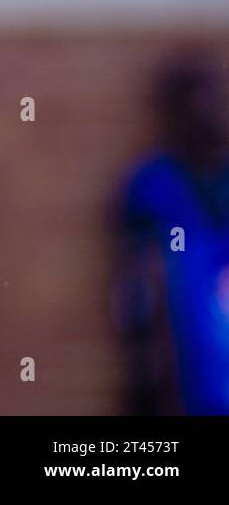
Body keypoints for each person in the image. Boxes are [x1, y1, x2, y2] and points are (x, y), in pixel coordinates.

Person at [115, 49, 229, 415]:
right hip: (184, 363)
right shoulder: (154, 184)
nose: (209, 113)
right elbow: (138, 278)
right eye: (194, 102)